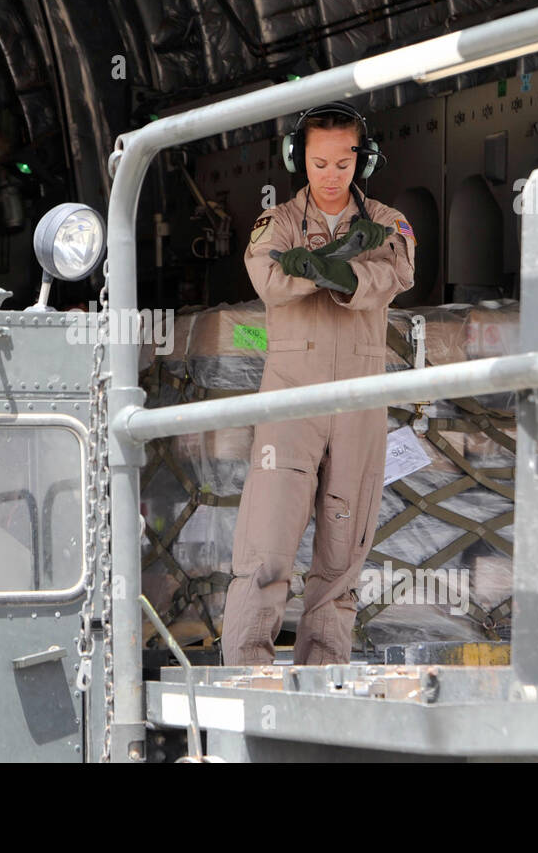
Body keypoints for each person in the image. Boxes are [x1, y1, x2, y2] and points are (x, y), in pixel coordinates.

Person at [220, 101, 417, 666]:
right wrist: (334, 258)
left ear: (365, 159)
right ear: (297, 160)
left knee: (341, 558)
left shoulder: (387, 221)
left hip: (359, 406)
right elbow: (271, 280)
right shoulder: (276, 222)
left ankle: (324, 683)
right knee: (266, 550)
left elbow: (397, 273)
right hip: (291, 404)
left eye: (343, 163)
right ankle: (247, 681)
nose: (331, 176)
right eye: (319, 163)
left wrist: (329, 269)